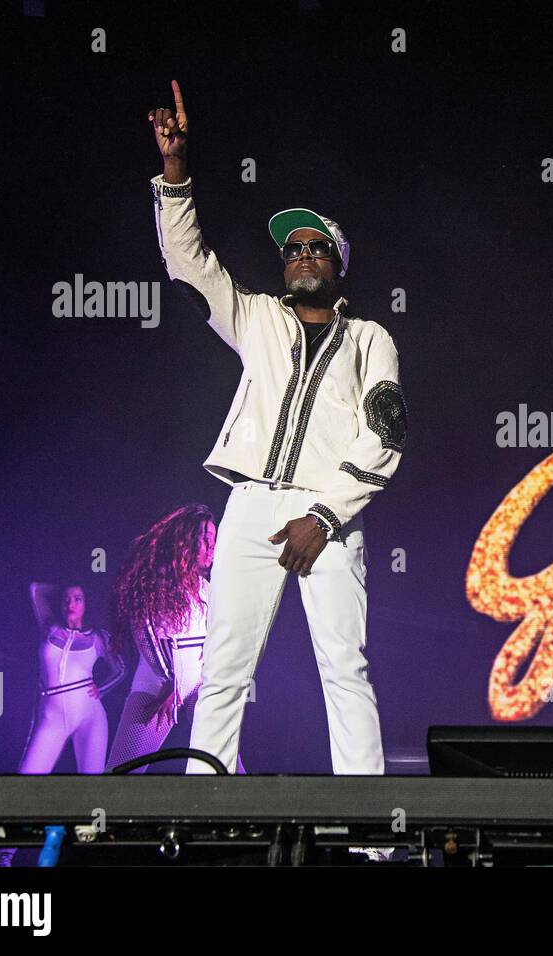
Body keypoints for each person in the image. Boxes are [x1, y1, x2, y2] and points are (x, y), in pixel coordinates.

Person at [147, 81, 405, 774]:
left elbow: (383, 438)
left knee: (344, 670)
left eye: (314, 246)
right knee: (225, 669)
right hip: (253, 504)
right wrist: (175, 170)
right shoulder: (255, 317)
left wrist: (322, 516)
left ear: (337, 262)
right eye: (291, 248)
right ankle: (205, 816)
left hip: (331, 512)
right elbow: (188, 263)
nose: (300, 255)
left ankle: (373, 835)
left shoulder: (370, 338)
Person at [107, 504, 243, 773]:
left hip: (198, 689)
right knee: (120, 773)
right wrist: (173, 686)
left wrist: (188, 688)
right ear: (185, 543)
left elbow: (218, 645)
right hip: (156, 687)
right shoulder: (154, 586)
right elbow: (148, 642)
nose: (211, 546)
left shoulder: (210, 589)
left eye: (214, 539)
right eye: (204, 539)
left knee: (228, 768)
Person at [17, 583, 125, 774]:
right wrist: (63, 587)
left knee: (91, 786)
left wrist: (101, 689)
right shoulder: (50, 628)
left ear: (86, 605)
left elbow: (120, 670)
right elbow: (35, 589)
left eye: (77, 599)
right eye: (66, 599)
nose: (71, 604)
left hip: (90, 717)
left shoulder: (98, 638)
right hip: (52, 718)